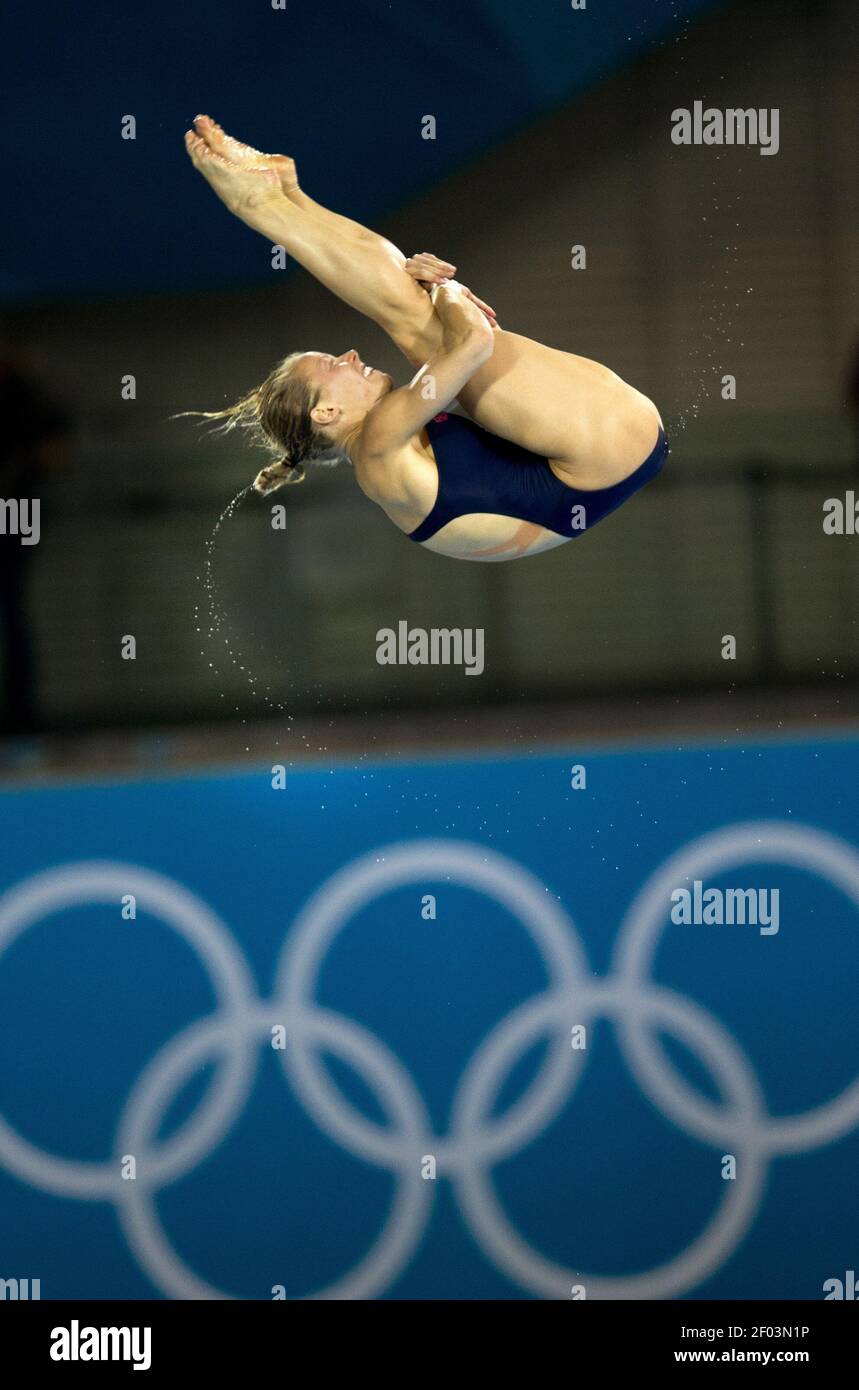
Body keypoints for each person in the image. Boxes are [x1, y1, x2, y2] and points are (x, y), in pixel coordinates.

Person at [183, 116, 668, 562]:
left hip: (603, 464)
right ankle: (267, 206)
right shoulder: (378, 439)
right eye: (333, 364)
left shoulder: (383, 451)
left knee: (414, 317)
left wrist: (441, 299)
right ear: (325, 413)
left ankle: (287, 200)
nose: (351, 355)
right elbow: (476, 341)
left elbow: (470, 343)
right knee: (417, 314)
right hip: (601, 456)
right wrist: (446, 287)